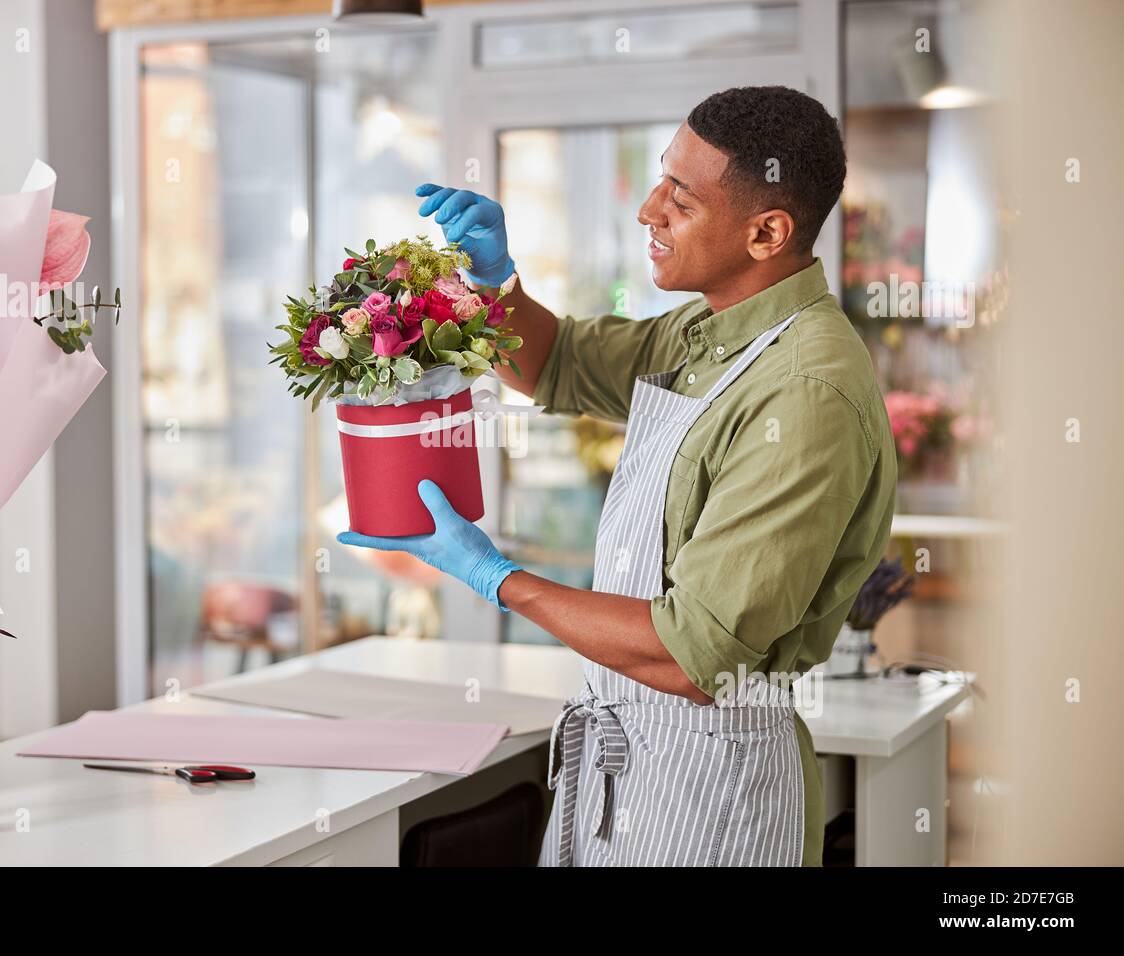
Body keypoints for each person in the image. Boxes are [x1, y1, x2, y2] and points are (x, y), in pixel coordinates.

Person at [339, 86, 896, 867]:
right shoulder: (707, 326)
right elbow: (558, 365)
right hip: (630, 760)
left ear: (767, 232)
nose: (648, 211)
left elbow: (696, 656)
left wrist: (497, 578)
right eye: (662, 179)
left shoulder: (806, 392)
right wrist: (496, 284)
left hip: (714, 793)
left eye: (681, 198)